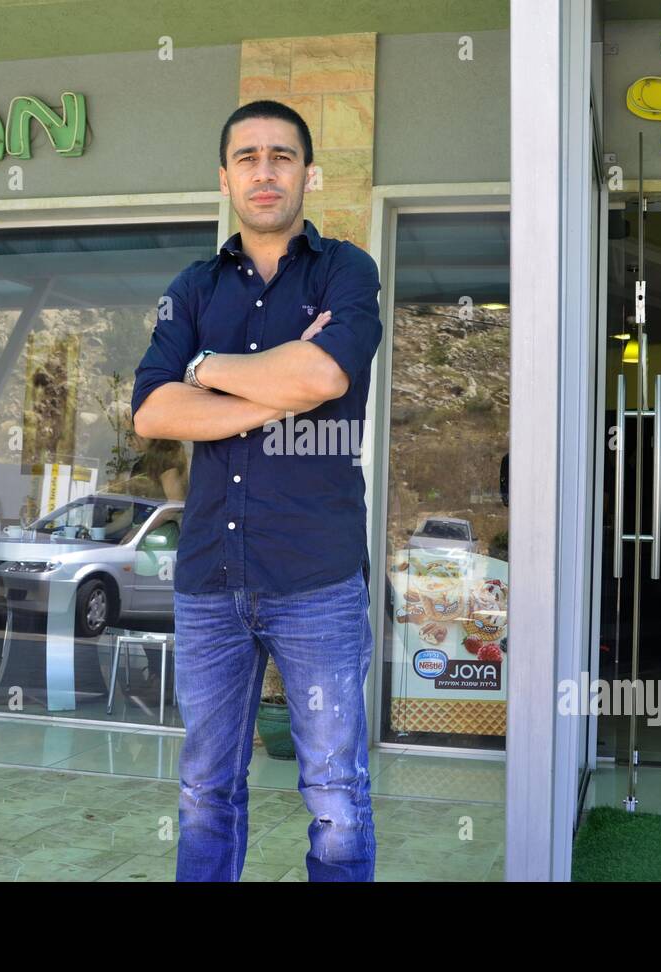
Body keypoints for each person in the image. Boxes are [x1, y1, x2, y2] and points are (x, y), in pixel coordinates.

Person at [130, 100, 383, 881]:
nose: (265, 171)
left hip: (317, 576)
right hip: (211, 577)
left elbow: (324, 373)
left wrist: (206, 371)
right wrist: (270, 389)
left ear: (308, 173)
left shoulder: (347, 269)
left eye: (281, 156)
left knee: (336, 794)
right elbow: (151, 410)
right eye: (248, 157)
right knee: (205, 789)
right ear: (226, 177)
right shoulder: (193, 285)